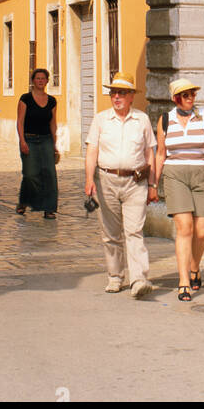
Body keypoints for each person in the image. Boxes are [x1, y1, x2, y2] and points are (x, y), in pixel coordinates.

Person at [155, 77, 204, 301]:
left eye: (193, 94)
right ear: (176, 98)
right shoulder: (165, 120)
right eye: (186, 95)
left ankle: (195, 265)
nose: (190, 98)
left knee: (202, 231)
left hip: (203, 174)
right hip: (175, 174)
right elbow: (160, 153)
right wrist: (152, 183)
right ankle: (184, 281)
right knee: (184, 227)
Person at [84, 74, 157, 299]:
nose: (116, 97)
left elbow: (149, 153)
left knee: (134, 231)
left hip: (136, 182)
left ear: (131, 96)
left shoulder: (142, 120)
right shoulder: (101, 119)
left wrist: (153, 184)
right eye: (113, 93)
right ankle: (115, 276)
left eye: (122, 93)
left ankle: (138, 279)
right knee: (110, 233)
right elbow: (92, 151)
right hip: (106, 180)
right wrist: (89, 179)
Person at [17, 68, 60, 218]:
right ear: (33, 81)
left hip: (46, 139)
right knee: (30, 174)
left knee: (49, 174)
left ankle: (49, 208)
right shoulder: (25, 99)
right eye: (38, 78)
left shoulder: (52, 101)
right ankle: (24, 201)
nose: (40, 81)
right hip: (29, 139)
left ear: (47, 81)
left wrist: (54, 143)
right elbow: (20, 121)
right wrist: (22, 141)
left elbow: (53, 123)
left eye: (43, 78)